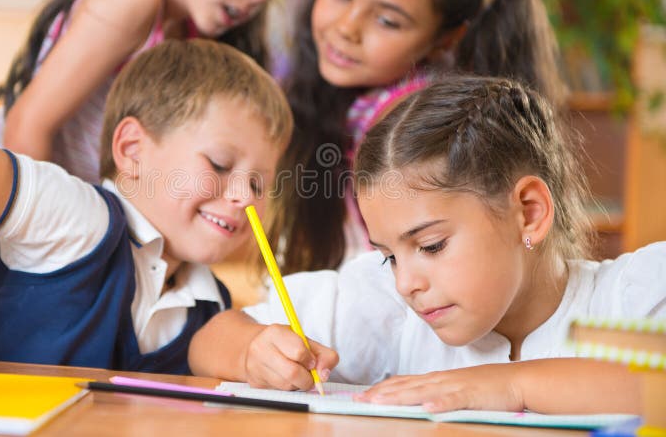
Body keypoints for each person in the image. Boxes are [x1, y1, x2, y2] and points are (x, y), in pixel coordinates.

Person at [188, 76, 665, 415]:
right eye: (390, 255)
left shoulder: (630, 298)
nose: (405, 281)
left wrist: (508, 385)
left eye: (432, 246)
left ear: (530, 212)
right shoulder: (390, 307)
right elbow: (211, 339)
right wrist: (254, 350)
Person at [0, 40, 293, 373]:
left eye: (259, 183)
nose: (246, 196)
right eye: (219, 164)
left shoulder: (208, 302)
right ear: (131, 150)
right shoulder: (78, 216)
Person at [0, 0, 302, 293]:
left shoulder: (190, 36)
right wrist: (52, 257)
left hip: (85, 237)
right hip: (14, 220)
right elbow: (27, 126)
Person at [271, 0, 563, 274]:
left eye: (387, 20)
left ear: (446, 37)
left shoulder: (405, 125)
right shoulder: (361, 92)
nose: (347, 27)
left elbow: (420, 276)